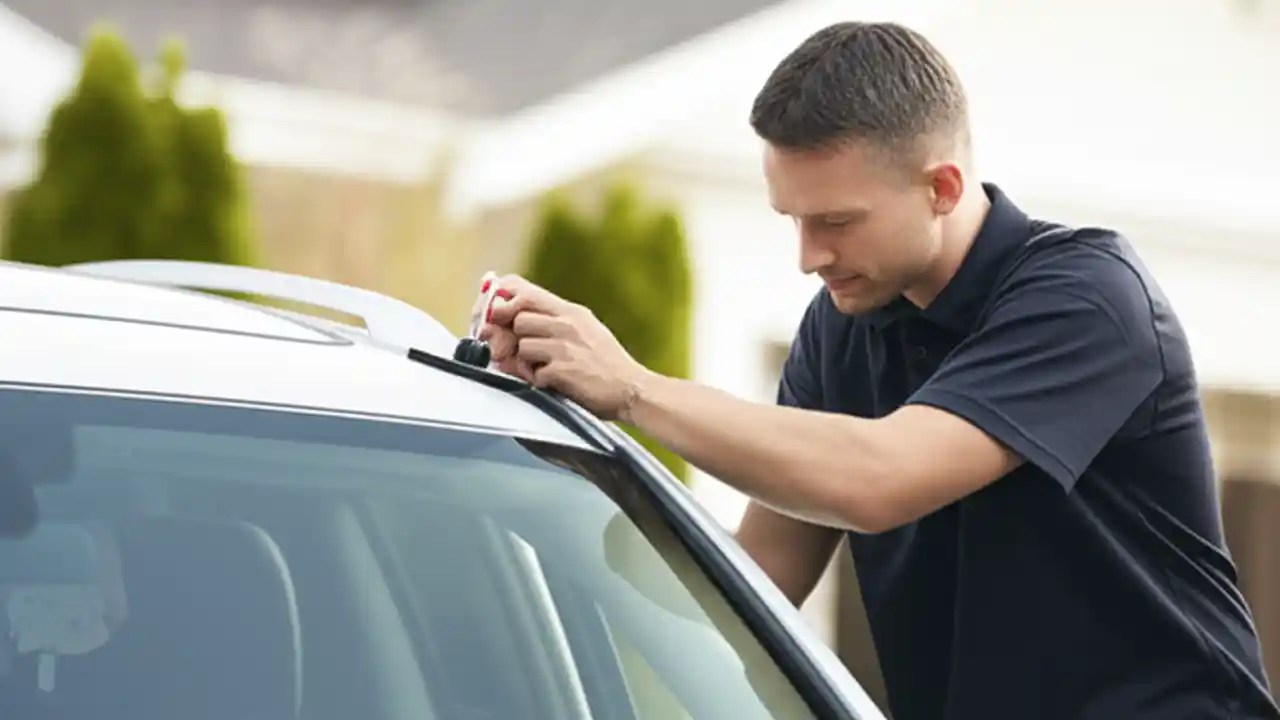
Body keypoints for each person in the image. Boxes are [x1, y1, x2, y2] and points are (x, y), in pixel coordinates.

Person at [477, 20, 1279, 720]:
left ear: (942, 187)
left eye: (836, 221)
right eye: (793, 220)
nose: (809, 256)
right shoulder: (840, 329)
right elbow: (759, 577)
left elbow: (880, 478)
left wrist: (631, 389)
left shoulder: (1086, 298)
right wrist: (535, 483)